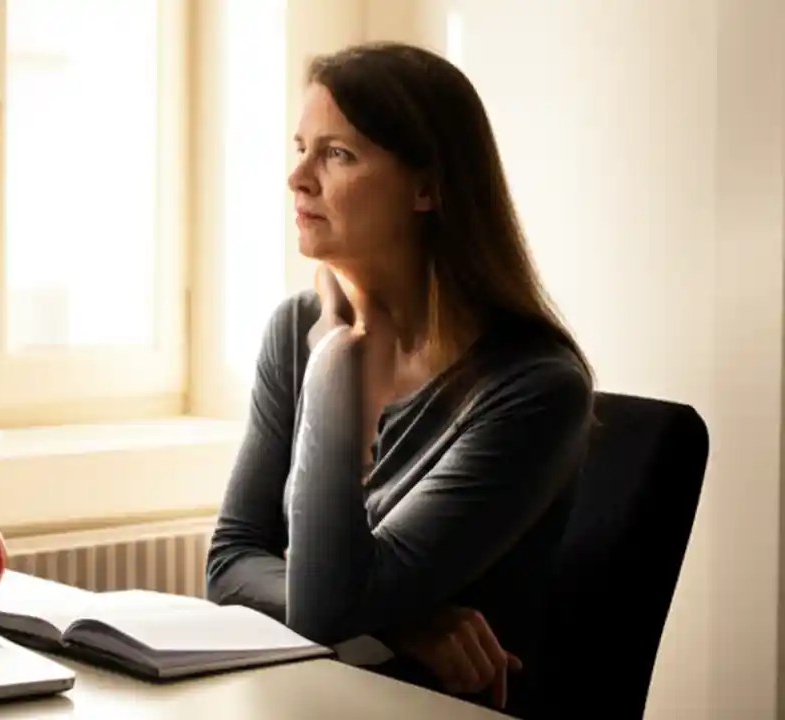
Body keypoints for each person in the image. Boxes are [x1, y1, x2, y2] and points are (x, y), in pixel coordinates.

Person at [205, 41, 593, 717]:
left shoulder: (535, 389)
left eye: (337, 154)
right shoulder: (291, 329)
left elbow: (326, 606)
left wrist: (337, 360)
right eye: (300, 146)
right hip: (319, 700)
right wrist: (401, 620)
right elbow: (230, 562)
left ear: (427, 187)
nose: (297, 177)